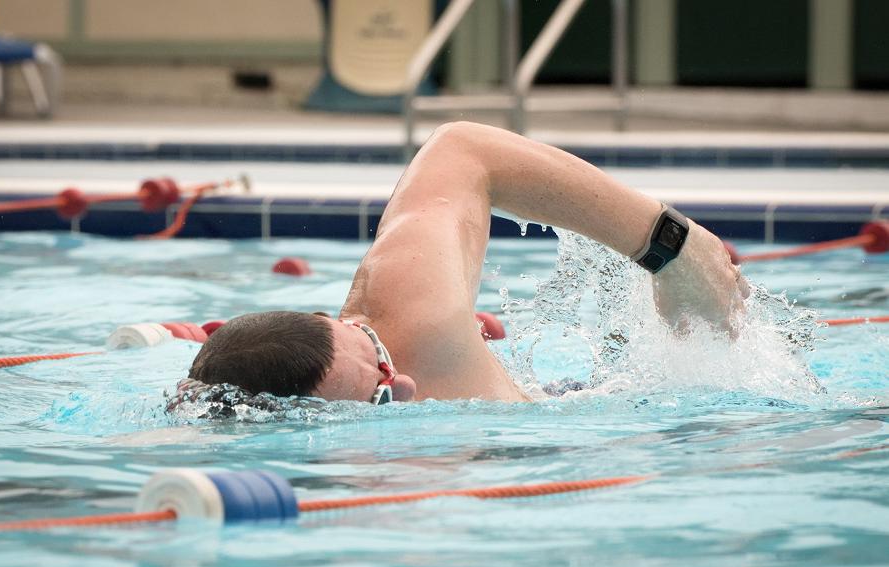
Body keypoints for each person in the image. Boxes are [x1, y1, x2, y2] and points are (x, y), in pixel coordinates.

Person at [186, 122, 747, 405]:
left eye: (380, 362)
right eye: (378, 403)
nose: (402, 383)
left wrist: (672, 248)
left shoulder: (410, 307)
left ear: (331, 322)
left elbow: (462, 147)